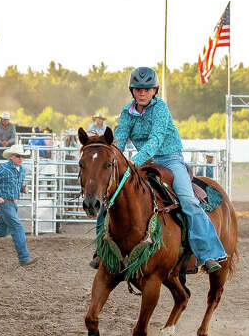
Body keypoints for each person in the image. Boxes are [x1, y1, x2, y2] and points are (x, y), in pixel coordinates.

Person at [95, 66, 228, 273]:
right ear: (132, 90)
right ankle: (101, 250)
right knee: (111, 196)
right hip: (145, 162)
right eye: (138, 89)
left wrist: (133, 162)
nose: (142, 93)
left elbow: (156, 139)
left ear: (154, 91)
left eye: (147, 89)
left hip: (170, 159)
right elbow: (119, 138)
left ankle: (208, 253)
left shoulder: (160, 109)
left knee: (188, 200)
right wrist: (113, 155)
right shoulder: (127, 112)